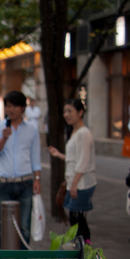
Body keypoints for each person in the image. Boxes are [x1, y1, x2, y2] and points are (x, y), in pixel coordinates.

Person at [0, 90, 42, 246]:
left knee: (25, 226)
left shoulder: (32, 129)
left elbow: (35, 157)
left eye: (14, 106)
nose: (10, 110)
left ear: (22, 108)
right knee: (2, 225)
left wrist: (37, 179)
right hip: (3, 182)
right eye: (8, 106)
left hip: (25, 182)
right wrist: (4, 138)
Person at [48, 99, 96, 244]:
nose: (66, 115)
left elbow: (83, 162)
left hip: (81, 184)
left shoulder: (83, 133)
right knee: (76, 220)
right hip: (76, 183)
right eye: (65, 111)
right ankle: (81, 249)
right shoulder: (75, 131)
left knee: (78, 220)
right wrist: (59, 155)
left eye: (70, 111)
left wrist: (74, 184)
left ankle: (84, 250)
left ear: (80, 112)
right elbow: (75, 158)